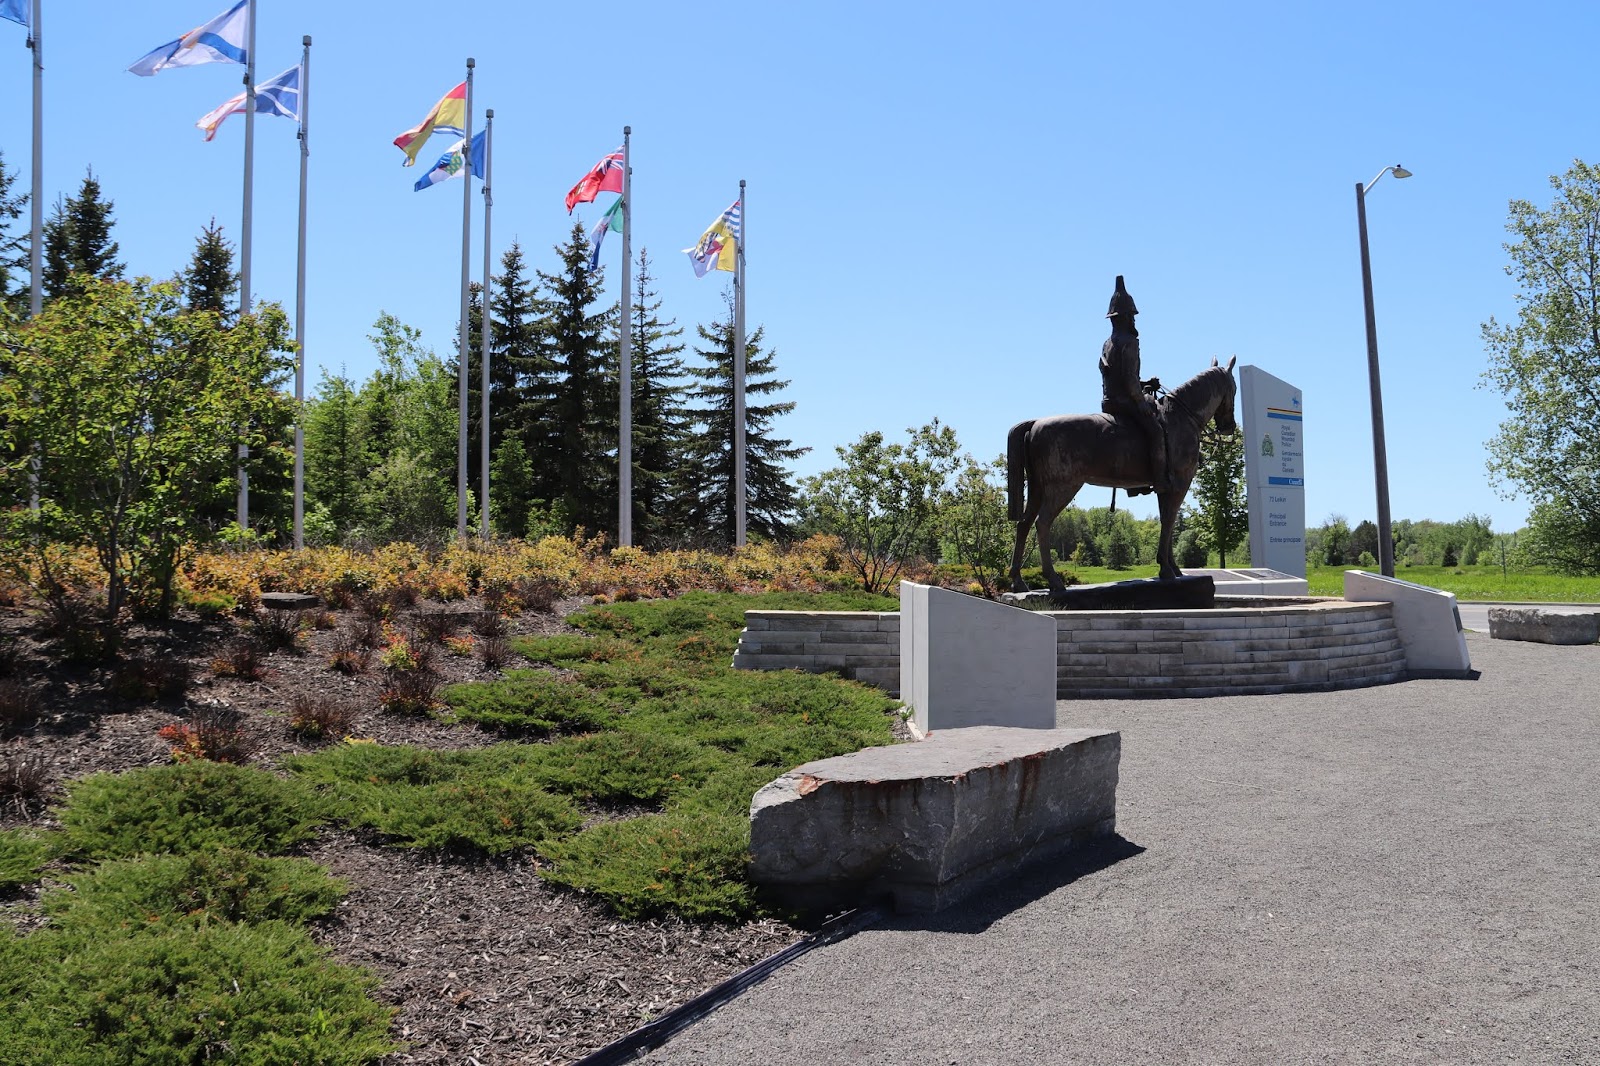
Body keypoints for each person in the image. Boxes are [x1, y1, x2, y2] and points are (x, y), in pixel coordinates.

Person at [1099, 275, 1171, 492]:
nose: (1134, 320)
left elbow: (1119, 376)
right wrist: (1140, 401)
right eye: (1132, 316)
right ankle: (1159, 480)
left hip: (1108, 402)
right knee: (1157, 432)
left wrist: (1146, 383)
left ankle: (1133, 485)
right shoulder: (1129, 342)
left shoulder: (1108, 343)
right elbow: (1129, 381)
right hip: (1125, 403)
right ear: (1126, 318)